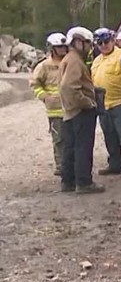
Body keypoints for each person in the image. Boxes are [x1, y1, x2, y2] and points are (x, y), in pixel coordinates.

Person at [58, 26, 105, 194]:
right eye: (87, 43)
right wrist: (87, 102)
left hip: (70, 112)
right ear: (78, 42)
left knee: (70, 147)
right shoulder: (75, 61)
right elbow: (69, 86)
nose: (90, 48)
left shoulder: (68, 59)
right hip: (80, 112)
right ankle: (84, 182)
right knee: (83, 147)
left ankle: (68, 181)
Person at [91, 28, 121, 177]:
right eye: (100, 43)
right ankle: (115, 163)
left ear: (113, 41)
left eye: (106, 41)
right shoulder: (97, 60)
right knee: (109, 135)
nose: (104, 45)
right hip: (104, 103)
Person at [29, 32, 69, 175]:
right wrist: (45, 97)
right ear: (52, 48)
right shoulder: (44, 66)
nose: (63, 50)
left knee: (72, 140)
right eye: (59, 47)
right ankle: (60, 166)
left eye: (64, 47)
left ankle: (70, 165)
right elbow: (34, 84)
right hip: (55, 110)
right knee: (59, 140)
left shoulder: (70, 62)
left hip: (71, 108)